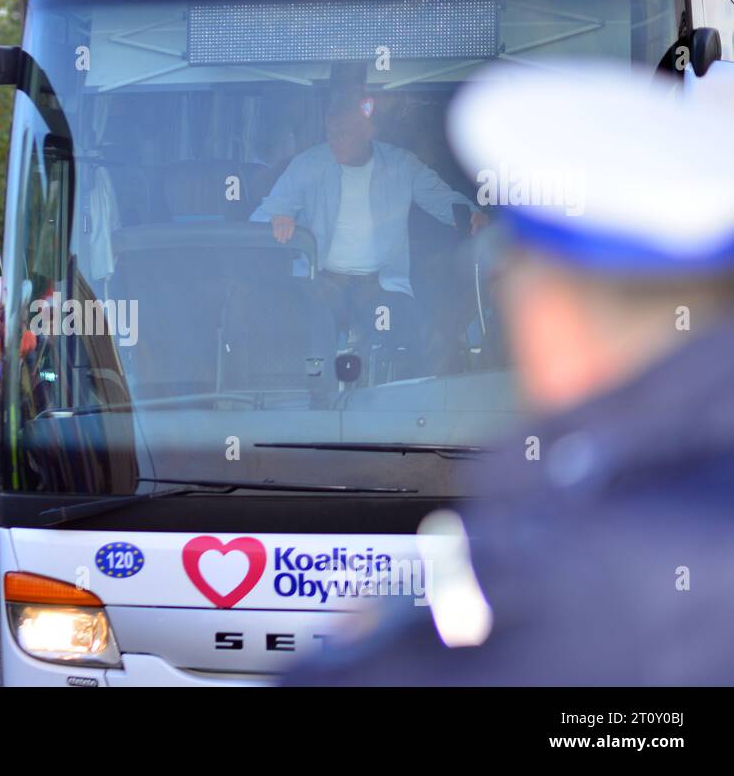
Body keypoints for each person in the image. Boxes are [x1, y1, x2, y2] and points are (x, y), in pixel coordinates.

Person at [283, 62, 734, 686]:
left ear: (551, 317)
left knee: (418, 333)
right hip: (328, 286)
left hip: (387, 288)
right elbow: (270, 216)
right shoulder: (308, 167)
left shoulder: (547, 596)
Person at [252, 94, 487, 367]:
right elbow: (263, 215)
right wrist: (278, 219)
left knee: (411, 336)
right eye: (331, 132)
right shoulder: (307, 165)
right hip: (320, 284)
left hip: (380, 285)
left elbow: (443, 200)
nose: (335, 139)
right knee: (306, 333)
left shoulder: (401, 165)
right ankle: (316, 400)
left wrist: (473, 215)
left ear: (368, 131)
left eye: (343, 132)